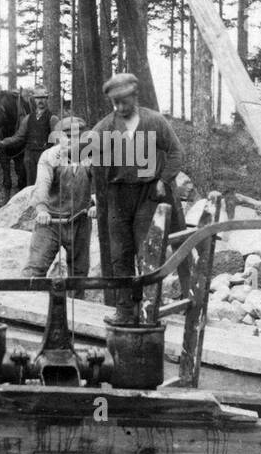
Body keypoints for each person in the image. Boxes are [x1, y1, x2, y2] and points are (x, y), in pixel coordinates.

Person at [91, 72, 184, 325]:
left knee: (148, 253)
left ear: (135, 96)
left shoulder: (155, 121)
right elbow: (87, 151)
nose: (120, 107)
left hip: (147, 195)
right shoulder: (106, 125)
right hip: (117, 196)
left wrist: (164, 180)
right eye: (115, 103)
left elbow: (176, 151)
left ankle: (149, 311)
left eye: (124, 101)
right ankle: (125, 311)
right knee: (120, 254)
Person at [22, 117, 97, 278]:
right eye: (68, 136)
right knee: (34, 270)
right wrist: (42, 209)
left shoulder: (91, 157)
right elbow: (42, 184)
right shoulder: (49, 157)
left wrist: (96, 203)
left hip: (79, 220)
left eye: (78, 137)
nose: (73, 141)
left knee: (79, 273)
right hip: (51, 221)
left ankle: (77, 300)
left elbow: (102, 183)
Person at [0, 84, 58, 187]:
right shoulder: (28, 118)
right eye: (37, 98)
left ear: (47, 99)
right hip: (29, 158)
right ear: (34, 100)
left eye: (43, 98)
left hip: (45, 157)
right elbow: (18, 137)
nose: (40, 101)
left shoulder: (53, 119)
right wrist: (3, 142)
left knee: (45, 186)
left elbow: (58, 143)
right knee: (30, 186)